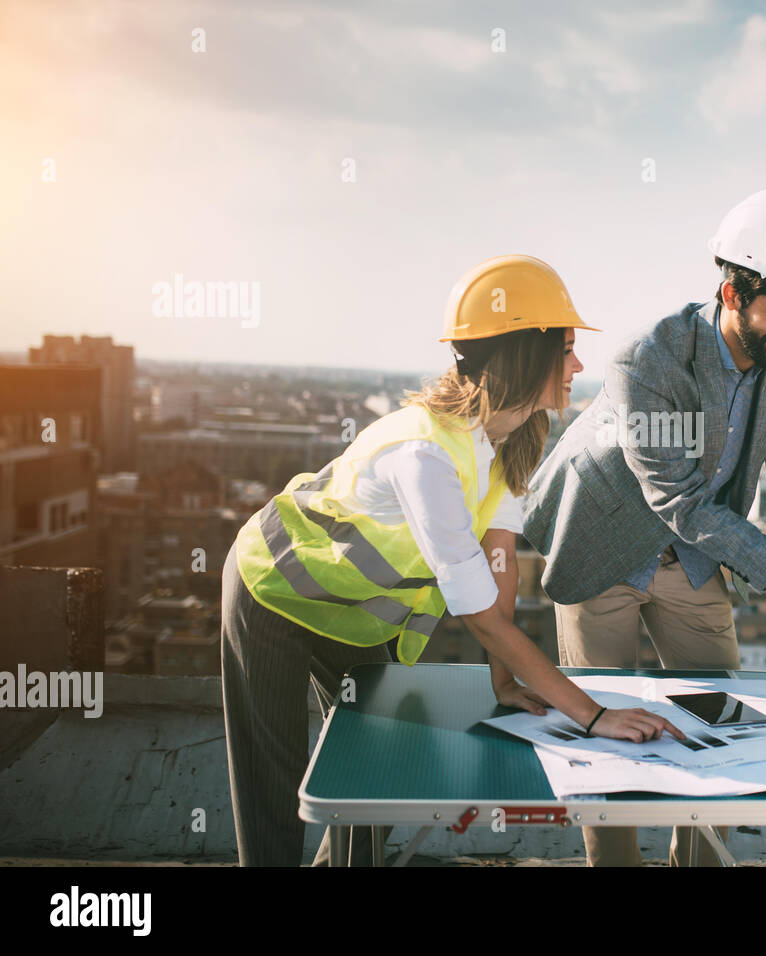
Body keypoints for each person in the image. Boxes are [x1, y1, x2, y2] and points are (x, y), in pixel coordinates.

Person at [221, 255, 683, 867]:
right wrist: (592, 717)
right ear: (523, 352)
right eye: (566, 349)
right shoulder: (425, 456)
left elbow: (500, 569)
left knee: (376, 775)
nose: (577, 366)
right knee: (274, 790)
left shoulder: (512, 438)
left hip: (352, 614)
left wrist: (503, 679)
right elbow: (483, 618)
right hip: (275, 593)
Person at [523, 190, 766, 867]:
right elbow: (677, 499)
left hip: (696, 559)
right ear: (733, 292)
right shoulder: (650, 357)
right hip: (605, 543)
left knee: (723, 726)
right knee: (605, 742)